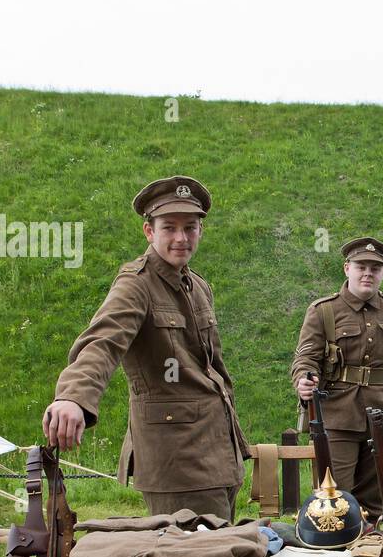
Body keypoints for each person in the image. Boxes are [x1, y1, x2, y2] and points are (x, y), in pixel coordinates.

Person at [43, 176, 249, 520]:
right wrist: (73, 396)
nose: (181, 238)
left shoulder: (196, 285)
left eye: (191, 227)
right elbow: (103, 341)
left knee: (222, 556)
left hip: (219, 453)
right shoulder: (136, 284)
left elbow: (211, 369)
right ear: (149, 232)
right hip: (177, 461)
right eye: (169, 227)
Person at [290, 236, 383, 524]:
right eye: (361, 266)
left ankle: (378, 555)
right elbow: (305, 357)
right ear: (346, 268)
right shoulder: (323, 310)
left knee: (382, 500)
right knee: (335, 500)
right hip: (338, 416)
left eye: (375, 268)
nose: (368, 273)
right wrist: (303, 380)